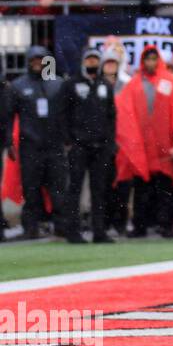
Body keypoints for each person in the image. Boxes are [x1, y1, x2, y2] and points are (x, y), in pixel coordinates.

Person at [1, 46, 83, 243]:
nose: (37, 63)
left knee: (58, 188)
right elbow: (8, 116)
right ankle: (31, 227)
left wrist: (70, 138)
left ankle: (61, 226)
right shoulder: (18, 86)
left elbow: (70, 113)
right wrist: (9, 142)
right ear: (28, 62)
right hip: (30, 146)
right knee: (31, 189)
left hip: (55, 145)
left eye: (41, 60)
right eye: (34, 60)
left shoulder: (58, 84)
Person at [115, 45, 173, 239]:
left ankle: (166, 225)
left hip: (165, 148)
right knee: (142, 189)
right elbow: (123, 115)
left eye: (153, 59)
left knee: (166, 189)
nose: (150, 63)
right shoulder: (134, 84)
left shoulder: (171, 82)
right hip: (142, 149)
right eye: (147, 60)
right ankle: (140, 226)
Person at [67, 47, 117, 244]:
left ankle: (99, 231)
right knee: (75, 189)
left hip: (100, 146)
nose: (93, 63)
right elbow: (62, 113)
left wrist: (110, 142)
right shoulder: (72, 84)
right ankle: (73, 231)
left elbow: (112, 116)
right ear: (83, 62)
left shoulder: (105, 85)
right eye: (89, 60)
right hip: (79, 145)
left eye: (96, 60)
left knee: (99, 190)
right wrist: (68, 141)